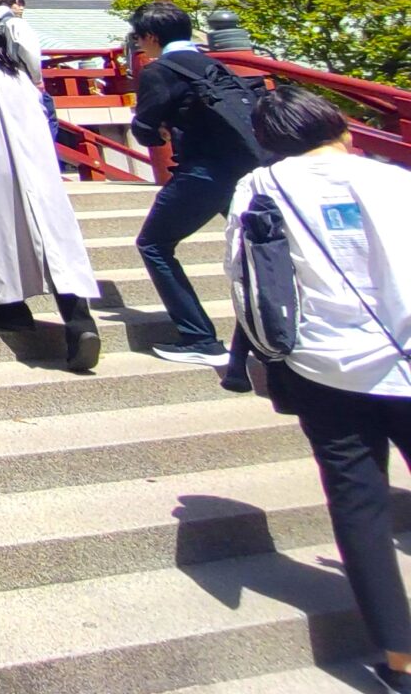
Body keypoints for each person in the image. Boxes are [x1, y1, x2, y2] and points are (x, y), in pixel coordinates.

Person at [223, 87, 411, 692]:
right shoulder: (395, 179)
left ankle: (400, 659)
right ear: (341, 128)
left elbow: (244, 278)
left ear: (269, 141)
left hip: (322, 366)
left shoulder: (260, 187)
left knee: (358, 506)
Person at [0, 10, 102, 371]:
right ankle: (80, 322)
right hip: (38, 165)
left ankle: (11, 309)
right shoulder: (17, 72)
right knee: (55, 241)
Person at [129, 0, 265, 366]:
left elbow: (145, 129)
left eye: (139, 37)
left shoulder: (159, 71)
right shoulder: (214, 64)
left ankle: (199, 338)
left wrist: (154, 128)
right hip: (248, 169)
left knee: (154, 244)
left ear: (151, 36)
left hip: (204, 171)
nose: (138, 44)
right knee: (256, 249)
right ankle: (272, 331)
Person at [0, 0, 56, 139]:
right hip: (22, 75)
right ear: (7, 5)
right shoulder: (16, 23)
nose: (21, 8)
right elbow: (30, 52)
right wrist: (37, 79)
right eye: (17, 4)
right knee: (46, 120)